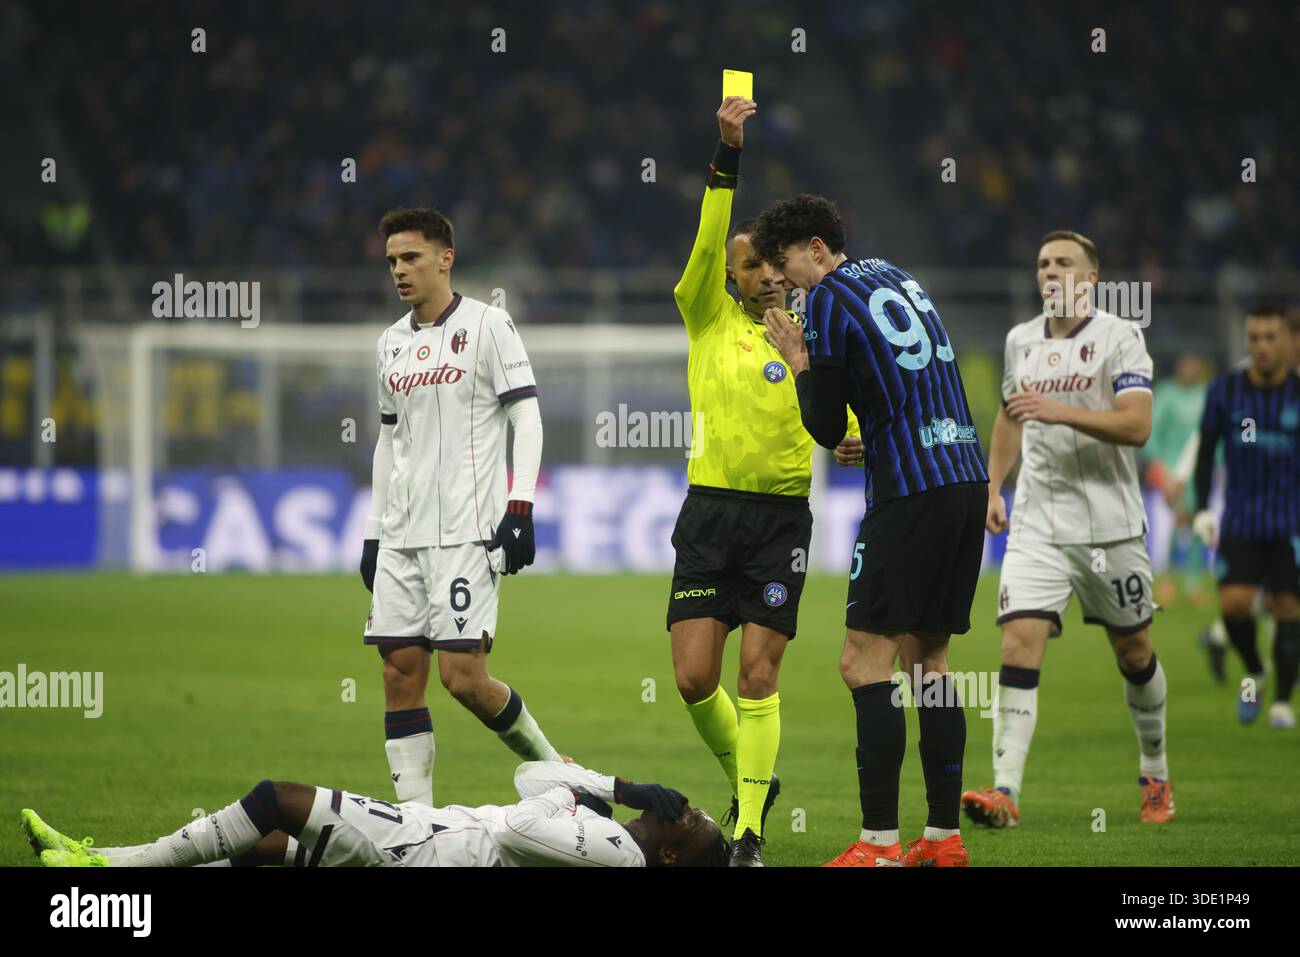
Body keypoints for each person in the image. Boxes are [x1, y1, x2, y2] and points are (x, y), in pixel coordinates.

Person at [755, 195, 988, 867]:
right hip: (963, 478)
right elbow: (907, 381)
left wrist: (799, 361)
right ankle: (943, 838)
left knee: (863, 661)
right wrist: (878, 435)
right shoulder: (897, 275)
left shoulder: (825, 299)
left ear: (818, 249)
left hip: (910, 492)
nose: (784, 279)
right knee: (930, 663)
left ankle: (879, 843)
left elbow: (825, 425)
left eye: (787, 262)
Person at [667, 99, 862, 866]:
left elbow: (834, 410)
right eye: (751, 264)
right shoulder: (705, 316)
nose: (766, 274)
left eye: (771, 264)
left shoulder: (813, 326)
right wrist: (728, 154)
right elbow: (712, 230)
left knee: (758, 674)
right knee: (691, 679)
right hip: (709, 514)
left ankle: (747, 830)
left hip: (781, 518)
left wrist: (849, 436)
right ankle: (753, 780)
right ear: (728, 274)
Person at [962, 230, 1173, 830]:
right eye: (1043, 264)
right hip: (1037, 523)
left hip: (1111, 528)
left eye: (1064, 264)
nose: (1051, 272)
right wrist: (994, 484)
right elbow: (1009, 417)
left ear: (1091, 278)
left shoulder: (1121, 337)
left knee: (1134, 653)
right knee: (1017, 642)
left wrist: (1060, 410)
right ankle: (1004, 790)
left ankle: (1155, 768)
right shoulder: (1019, 341)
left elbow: (1136, 426)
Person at [358, 207, 561, 809]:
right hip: (401, 535)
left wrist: (520, 506)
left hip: (468, 532)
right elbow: (388, 440)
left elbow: (526, 413)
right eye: (392, 259)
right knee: (398, 674)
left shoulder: (489, 325)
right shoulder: (389, 343)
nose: (399, 270)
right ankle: (413, 823)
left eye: (411, 257)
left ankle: (562, 775)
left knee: (463, 680)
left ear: (446, 258)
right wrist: (373, 533)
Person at [22, 761, 726, 868]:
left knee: (274, 799)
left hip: (420, 850)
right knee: (266, 847)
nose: (687, 810)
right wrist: (618, 783)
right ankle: (102, 861)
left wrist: (578, 795)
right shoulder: (610, 818)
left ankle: (110, 865)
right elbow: (528, 773)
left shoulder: (620, 854)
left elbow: (517, 819)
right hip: (424, 834)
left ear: (669, 855)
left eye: (692, 823)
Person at [1191, 305, 1299, 729]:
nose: (1263, 346)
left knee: (1288, 607)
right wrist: (1202, 507)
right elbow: (1204, 453)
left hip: (1291, 522)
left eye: (1271, 337)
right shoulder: (1225, 391)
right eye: (1255, 338)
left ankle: (1283, 703)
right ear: (1247, 341)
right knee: (1234, 607)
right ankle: (1255, 669)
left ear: (1287, 341)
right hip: (1241, 519)